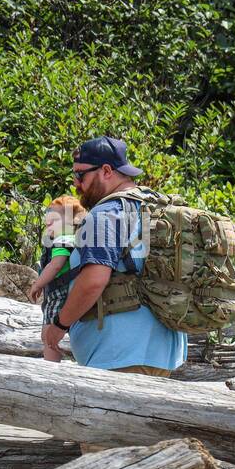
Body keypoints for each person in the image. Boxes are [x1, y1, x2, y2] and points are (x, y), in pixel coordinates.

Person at [40, 135, 188, 376]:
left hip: (120, 357)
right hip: (160, 355)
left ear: (106, 171)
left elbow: (94, 280)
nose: (76, 184)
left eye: (80, 175)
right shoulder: (154, 206)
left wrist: (58, 326)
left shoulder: (107, 213)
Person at [28, 195, 85, 361]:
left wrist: (37, 284)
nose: (47, 223)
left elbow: (55, 265)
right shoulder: (74, 239)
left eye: (53, 220)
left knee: (47, 335)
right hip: (72, 293)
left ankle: (50, 365)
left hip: (59, 294)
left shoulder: (63, 241)